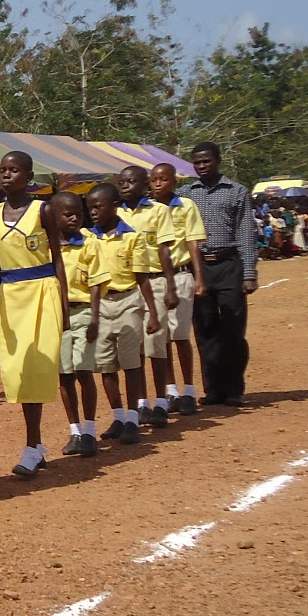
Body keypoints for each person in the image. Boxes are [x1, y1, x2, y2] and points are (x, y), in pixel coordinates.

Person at [0, 152, 68, 478]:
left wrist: (64, 305)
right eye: (3, 170)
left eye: (15, 170)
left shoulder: (43, 210)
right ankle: (36, 444)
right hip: (9, 297)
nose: (7, 175)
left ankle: (33, 445)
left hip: (41, 291)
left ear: (29, 175)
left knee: (35, 368)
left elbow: (59, 258)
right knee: (16, 371)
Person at [179, 143, 257, 407]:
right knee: (204, 329)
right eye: (196, 162)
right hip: (199, 268)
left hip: (229, 265)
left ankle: (235, 388)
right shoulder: (185, 194)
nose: (201, 166)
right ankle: (213, 389)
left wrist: (249, 273)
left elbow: (246, 233)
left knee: (234, 330)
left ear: (218, 161)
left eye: (206, 161)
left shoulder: (237, 192)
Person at [83, 184, 160, 444]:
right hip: (100, 304)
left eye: (98, 206)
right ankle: (117, 416)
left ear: (114, 205)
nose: (92, 212)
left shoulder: (132, 237)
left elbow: (143, 279)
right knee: (105, 364)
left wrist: (152, 313)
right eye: (89, 207)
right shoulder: (86, 237)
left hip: (127, 300)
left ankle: (133, 417)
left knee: (131, 362)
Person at [116, 166, 180, 429]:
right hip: (129, 287)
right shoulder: (115, 212)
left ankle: (162, 401)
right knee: (135, 347)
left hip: (154, 281)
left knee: (156, 344)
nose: (126, 186)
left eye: (132, 181)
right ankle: (141, 403)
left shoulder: (158, 211)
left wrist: (170, 285)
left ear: (144, 185)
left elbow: (164, 249)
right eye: (122, 182)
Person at [149, 164, 207, 416]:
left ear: (174, 182)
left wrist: (199, 277)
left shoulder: (186, 206)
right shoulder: (147, 210)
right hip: (155, 279)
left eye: (164, 179)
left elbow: (193, 242)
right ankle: (170, 390)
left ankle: (189, 390)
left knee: (180, 334)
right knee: (160, 338)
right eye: (154, 180)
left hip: (181, 275)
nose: (158, 183)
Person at [51, 192, 100, 457]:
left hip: (82, 314)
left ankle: (90, 431)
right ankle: (75, 431)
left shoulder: (89, 244)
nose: (74, 218)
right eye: (67, 214)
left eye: (78, 214)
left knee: (84, 371)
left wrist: (94, 318)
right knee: (65, 376)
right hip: (58, 318)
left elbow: (95, 284)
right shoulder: (47, 248)